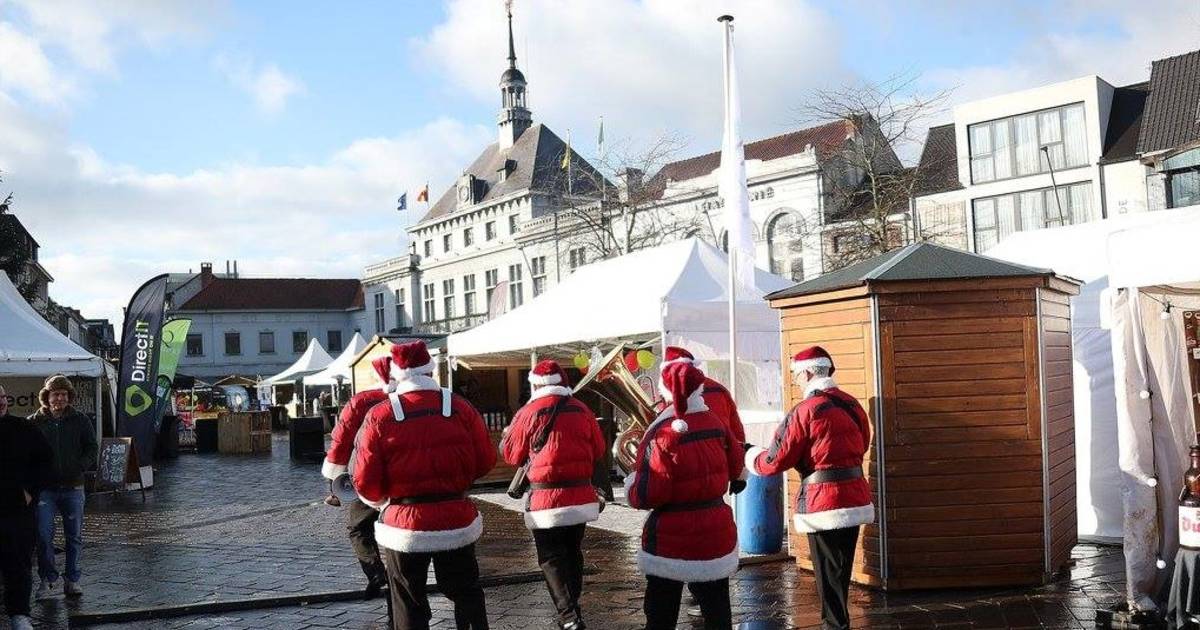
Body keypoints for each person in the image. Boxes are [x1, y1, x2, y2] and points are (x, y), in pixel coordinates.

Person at [354, 341, 496, 630]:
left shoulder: (380, 415)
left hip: (405, 524)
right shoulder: (459, 406)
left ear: (398, 374)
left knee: (408, 599)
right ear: (429, 370)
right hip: (455, 518)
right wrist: (457, 483)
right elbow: (486, 460)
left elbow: (365, 480)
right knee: (466, 591)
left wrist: (383, 500)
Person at [744, 346, 873, 630]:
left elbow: (776, 459)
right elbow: (862, 444)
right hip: (855, 495)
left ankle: (835, 626)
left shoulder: (805, 411)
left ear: (807, 372)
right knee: (840, 569)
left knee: (828, 576)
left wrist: (750, 454)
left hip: (822, 501)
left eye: (796, 376)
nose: (796, 381)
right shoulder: (853, 405)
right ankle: (839, 623)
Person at [626, 361, 743, 630]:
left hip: (671, 536)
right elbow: (737, 468)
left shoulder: (662, 431)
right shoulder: (716, 422)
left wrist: (633, 484)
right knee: (717, 612)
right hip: (715, 529)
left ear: (666, 390)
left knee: (660, 614)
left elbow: (649, 494)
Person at [501, 360, 606, 630]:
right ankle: (573, 609)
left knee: (550, 558)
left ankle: (568, 615)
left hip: (545, 500)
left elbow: (511, 454)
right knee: (573, 552)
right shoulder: (582, 409)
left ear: (535, 384)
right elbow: (599, 450)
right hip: (580, 496)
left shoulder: (529, 411)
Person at [323, 355, 395, 598]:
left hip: (365, 476)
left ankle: (377, 574)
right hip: (404, 476)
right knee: (400, 527)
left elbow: (341, 441)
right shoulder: (410, 399)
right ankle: (399, 578)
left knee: (358, 528)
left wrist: (332, 482)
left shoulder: (362, 401)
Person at [29, 374, 98, 600]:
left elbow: (91, 447)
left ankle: (72, 580)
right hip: (44, 489)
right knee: (43, 534)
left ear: (69, 397)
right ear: (46, 397)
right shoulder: (33, 422)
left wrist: (80, 465)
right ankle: (48, 579)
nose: (59, 398)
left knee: (74, 536)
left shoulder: (81, 420)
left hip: (73, 487)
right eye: (55, 394)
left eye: (63, 394)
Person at [1, 384, 53, 630]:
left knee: (18, 563)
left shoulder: (24, 428)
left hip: (17, 511)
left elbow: (45, 462)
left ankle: (19, 614)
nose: (1, 401)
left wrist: (30, 492)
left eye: (2, 396)